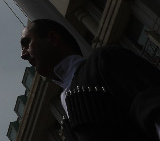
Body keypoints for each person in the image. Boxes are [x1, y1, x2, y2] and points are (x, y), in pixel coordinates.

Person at [20, 18, 160, 140]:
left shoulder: (104, 60)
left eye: (27, 43)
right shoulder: (66, 115)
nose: (23, 55)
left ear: (53, 39)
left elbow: (150, 103)